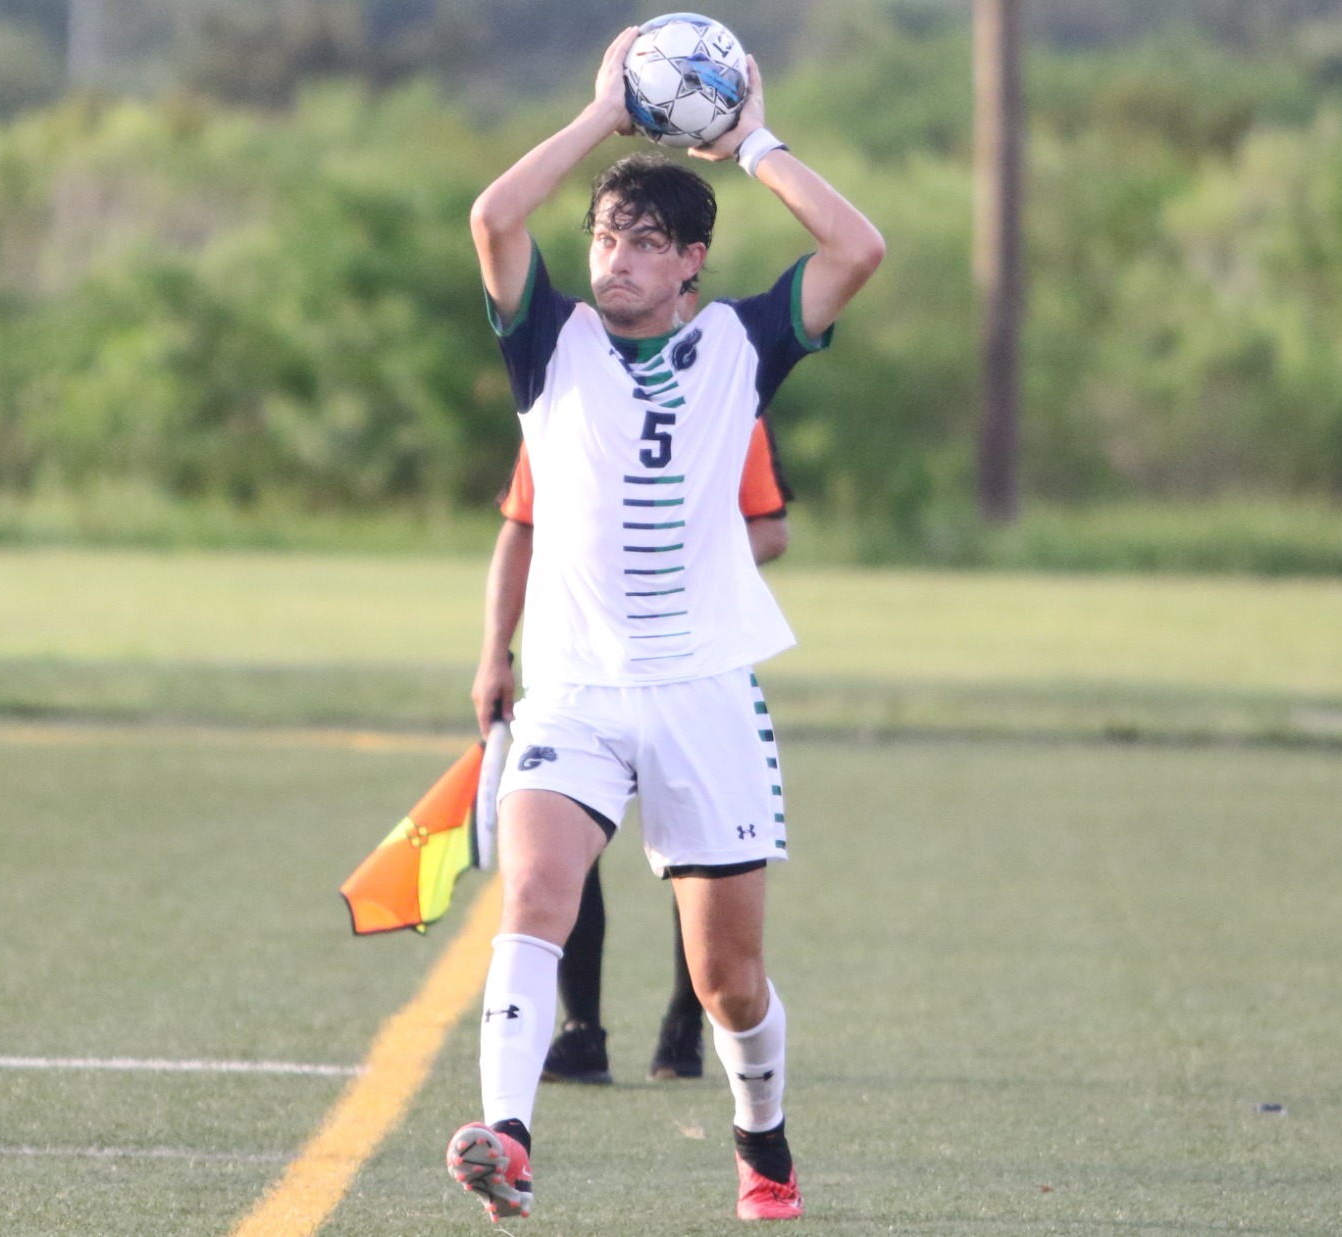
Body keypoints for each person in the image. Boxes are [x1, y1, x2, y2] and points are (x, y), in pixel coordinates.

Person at [443, 25, 882, 1224]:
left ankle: (764, 1145)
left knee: (725, 981)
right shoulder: (550, 344)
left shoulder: (743, 342)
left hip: (703, 694)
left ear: (692, 261)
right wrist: (600, 114)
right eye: (605, 238)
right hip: (574, 689)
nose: (617, 261)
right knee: (533, 896)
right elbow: (491, 218)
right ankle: (512, 1138)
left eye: (645, 243)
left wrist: (754, 145)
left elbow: (859, 244)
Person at [506, 412, 794, 1087]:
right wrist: (496, 651)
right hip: (586, 673)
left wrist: (674, 565)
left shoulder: (725, 399)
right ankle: (582, 1028)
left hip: (685, 670)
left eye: (685, 293)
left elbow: (769, 525)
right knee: (561, 851)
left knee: (699, 851)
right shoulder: (566, 396)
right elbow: (522, 527)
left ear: (685, 298)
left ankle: (684, 1021)